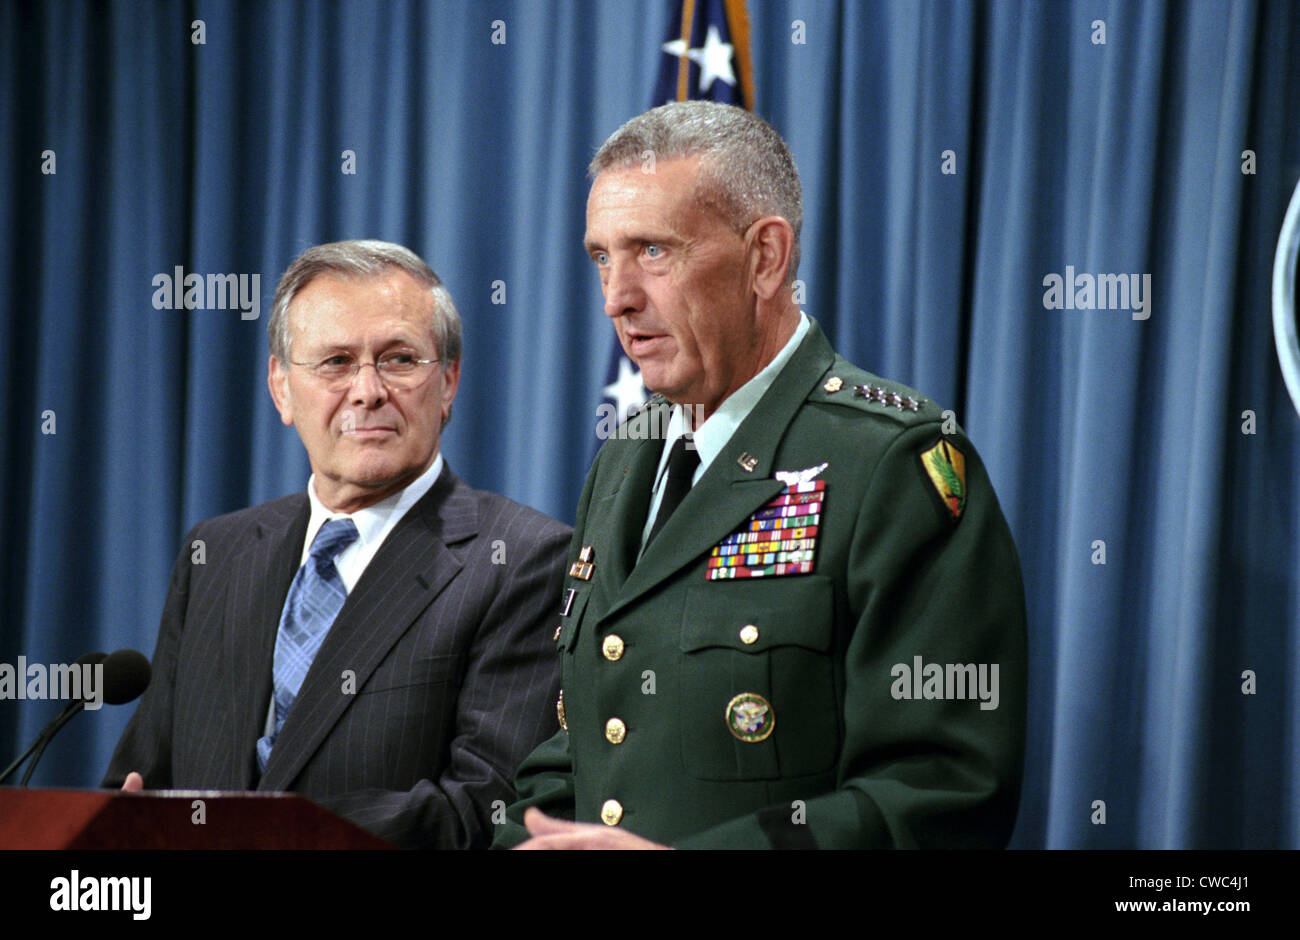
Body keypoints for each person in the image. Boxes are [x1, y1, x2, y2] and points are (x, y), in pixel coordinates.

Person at [495, 102, 1027, 849]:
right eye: (601, 256)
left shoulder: (893, 461)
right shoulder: (627, 455)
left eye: (653, 251)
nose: (617, 296)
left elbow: (942, 789)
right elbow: (587, 744)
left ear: (765, 259)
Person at [104, 240, 571, 849]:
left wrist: (256, 837)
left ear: (449, 380)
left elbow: (488, 809)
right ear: (281, 387)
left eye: (399, 359)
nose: (367, 390)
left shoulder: (521, 559)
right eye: (335, 362)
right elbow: (143, 781)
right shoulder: (216, 553)